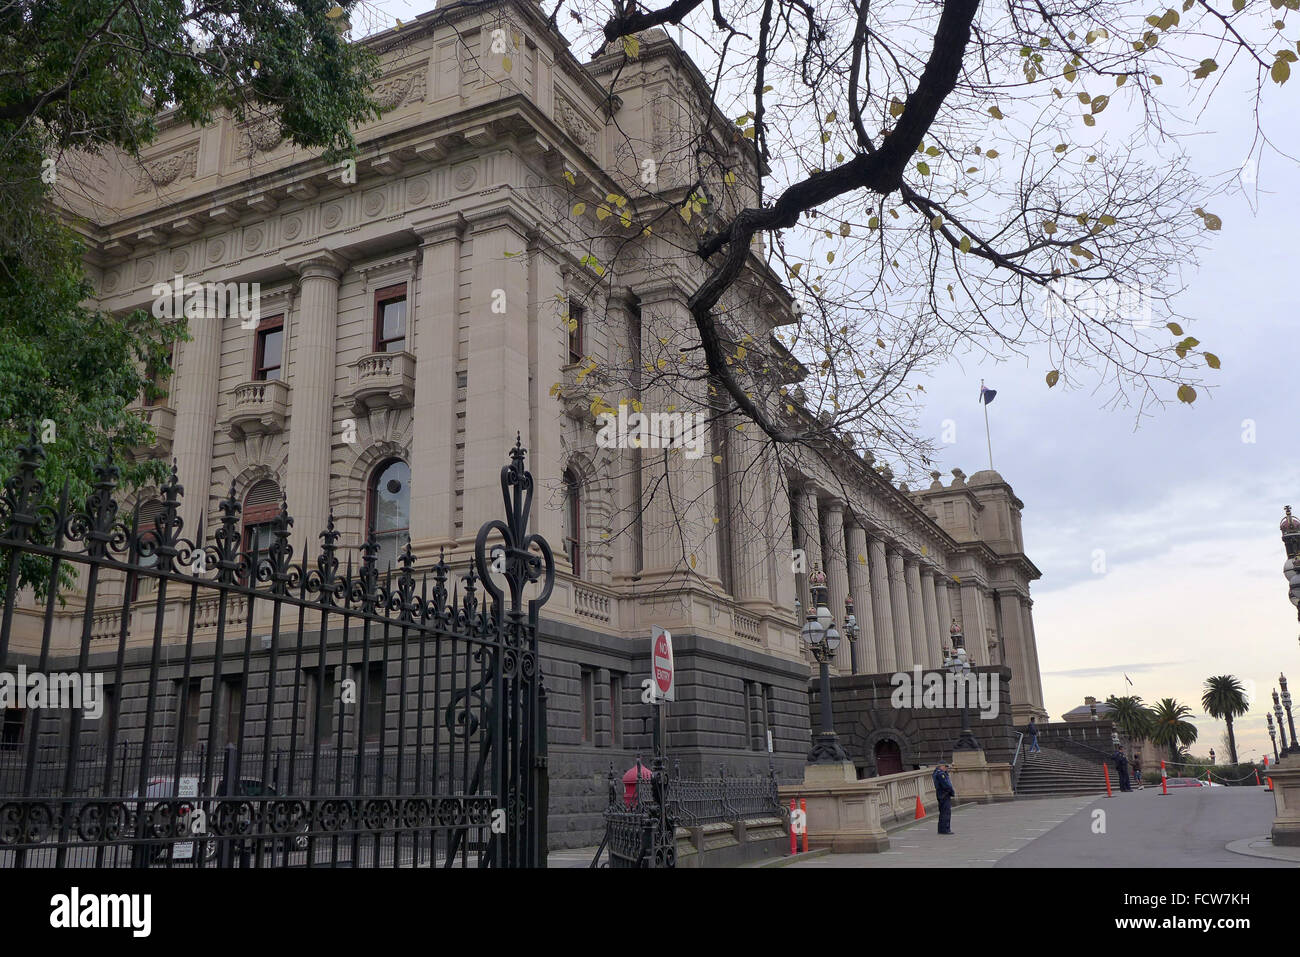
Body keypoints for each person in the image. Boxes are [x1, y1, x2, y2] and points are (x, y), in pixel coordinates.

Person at [933, 762, 956, 835]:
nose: (946, 768)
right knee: (946, 813)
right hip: (944, 794)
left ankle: (941, 829)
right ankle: (945, 829)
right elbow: (946, 784)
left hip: (941, 794)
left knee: (942, 812)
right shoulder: (941, 774)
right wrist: (951, 791)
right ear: (941, 766)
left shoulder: (937, 772)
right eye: (945, 767)